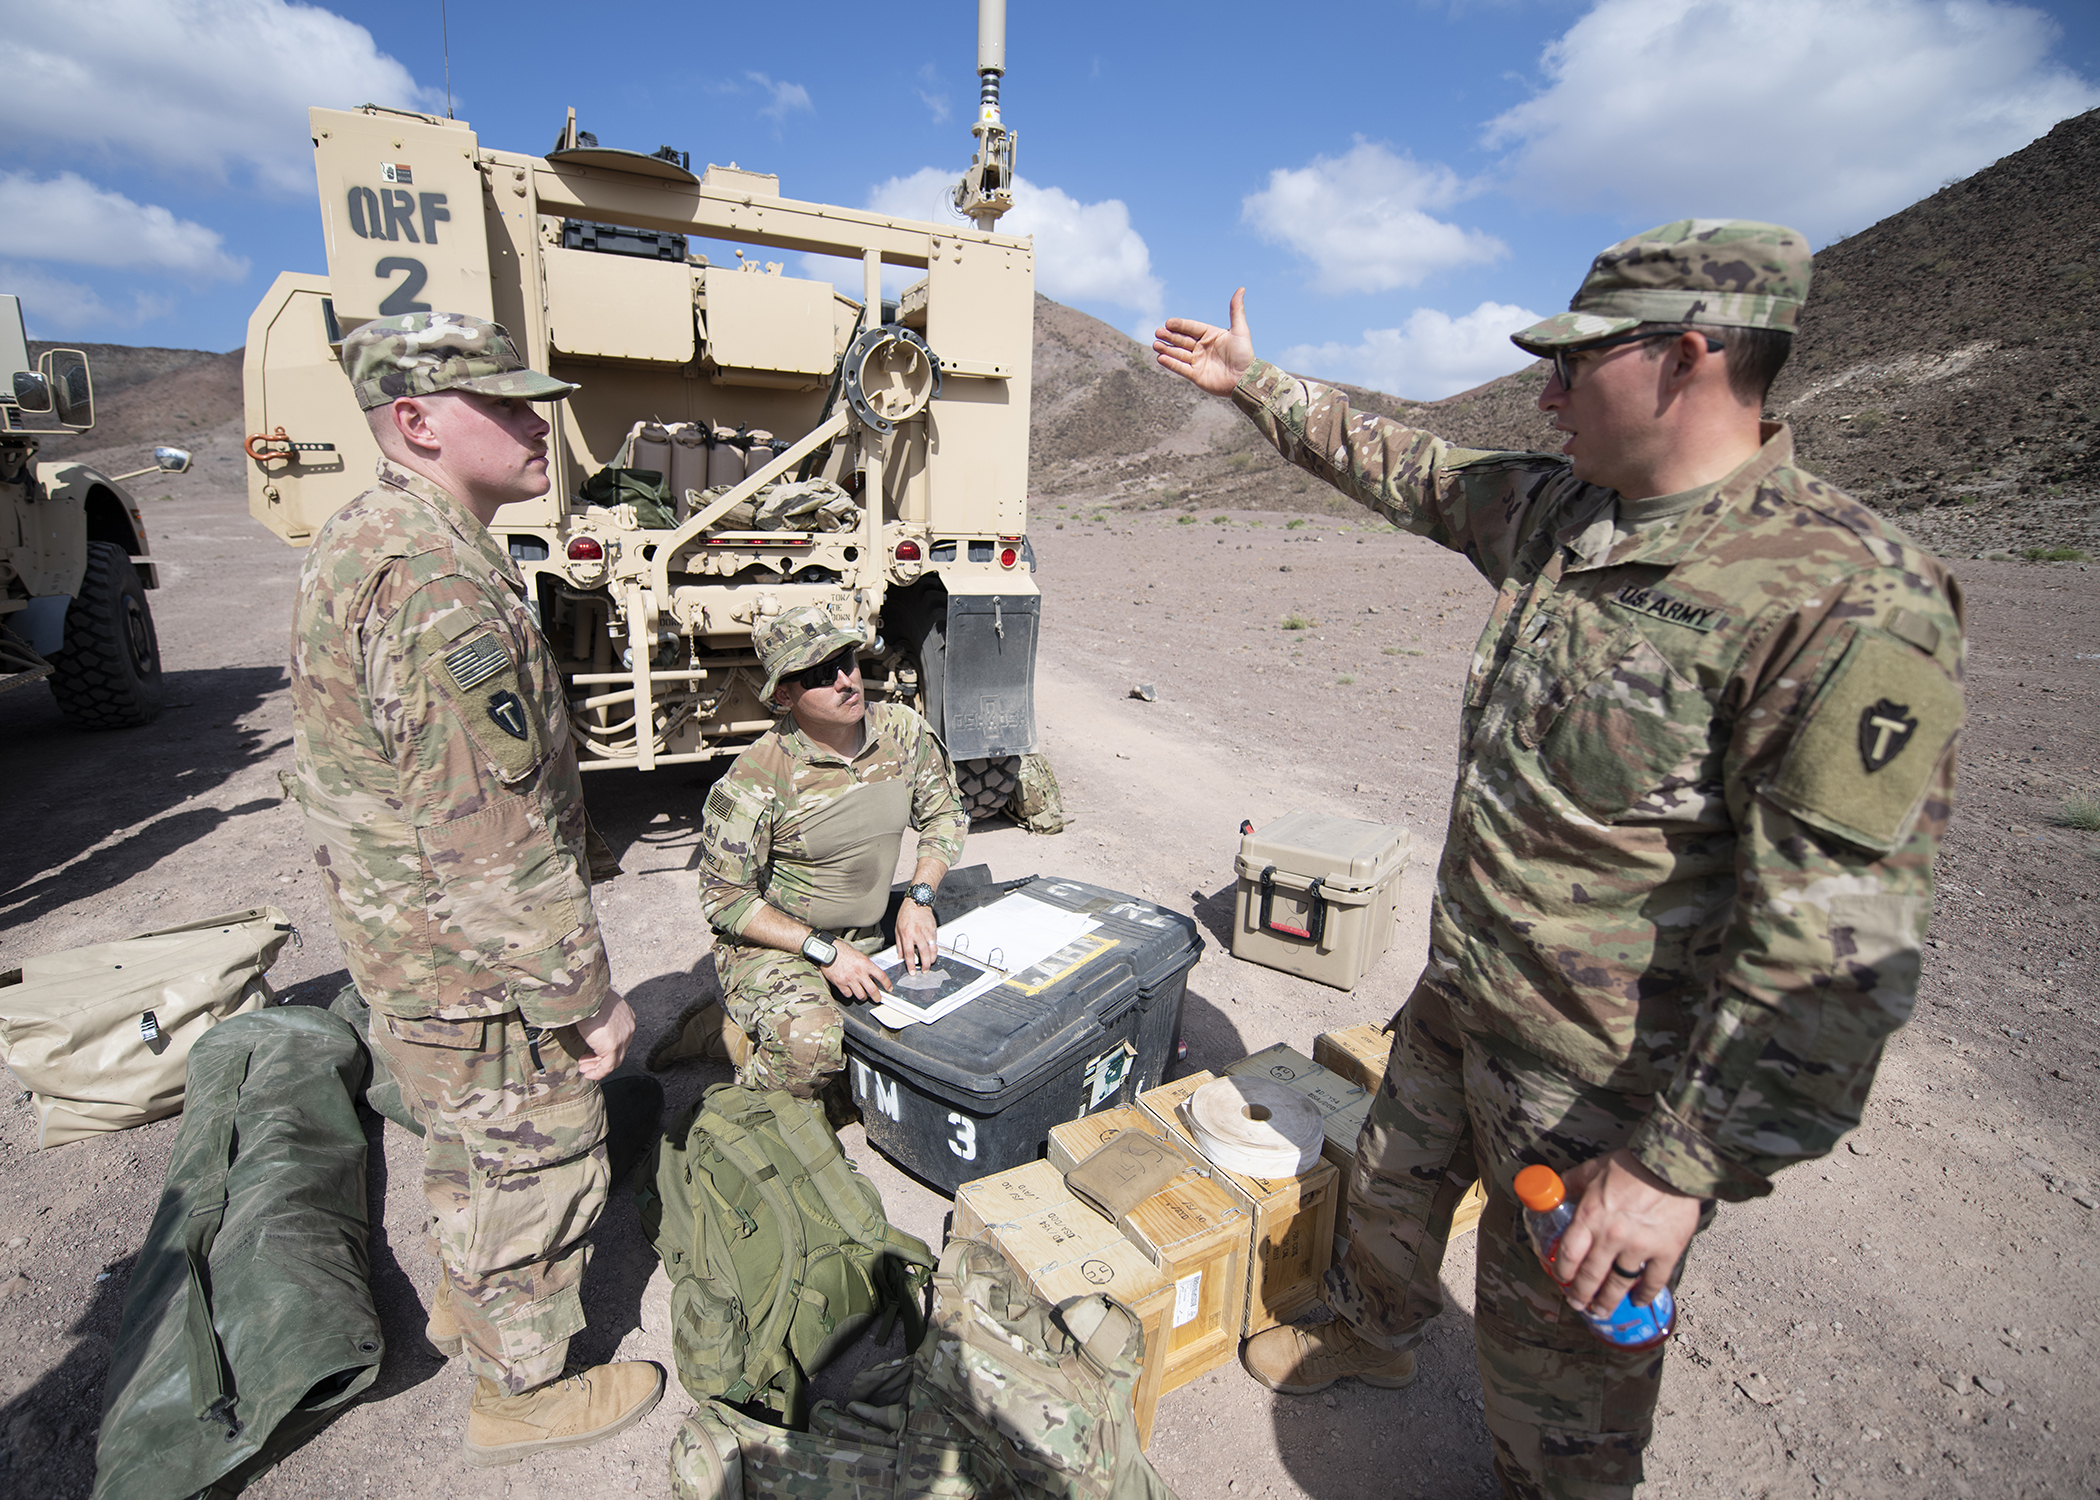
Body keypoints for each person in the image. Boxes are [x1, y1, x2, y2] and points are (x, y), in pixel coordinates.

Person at [1154, 221, 1964, 1498]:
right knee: (1390, 1194)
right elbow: (1410, 468)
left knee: (1561, 1387)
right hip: (1464, 994)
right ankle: (1371, 1333)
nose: (1543, 392)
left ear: (1687, 358)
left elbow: (1835, 951)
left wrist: (1668, 1173)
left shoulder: (1847, 598)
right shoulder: (1564, 514)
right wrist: (1257, 384)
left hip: (1600, 1088)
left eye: (1572, 365)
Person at [289, 311, 663, 1466]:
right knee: (537, 1159)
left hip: (415, 948)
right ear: (414, 421)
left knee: (463, 1146)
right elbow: (487, 834)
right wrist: (580, 997)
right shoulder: (436, 577)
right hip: (476, 962)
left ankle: (474, 1306)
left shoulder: (372, 537)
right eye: (502, 404)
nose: (536, 420)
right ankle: (523, 1390)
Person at [653, 604, 968, 1101]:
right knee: (813, 1050)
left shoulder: (901, 732)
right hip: (778, 946)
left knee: (965, 1008)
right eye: (822, 673)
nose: (847, 681)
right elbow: (724, 900)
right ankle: (730, 1051)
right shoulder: (755, 779)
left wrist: (919, 897)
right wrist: (822, 950)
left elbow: (945, 815)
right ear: (784, 695)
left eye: (849, 660)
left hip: (868, 930)